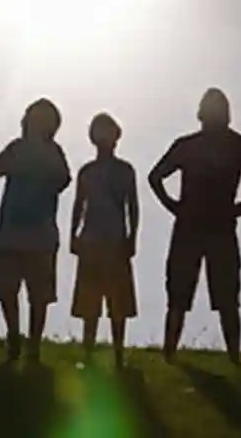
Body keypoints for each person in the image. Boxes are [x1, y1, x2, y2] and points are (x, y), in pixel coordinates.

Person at [148, 88, 241, 364]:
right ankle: (174, 354)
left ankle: (228, 357)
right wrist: (173, 205)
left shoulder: (231, 146)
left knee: (222, 298)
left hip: (213, 227)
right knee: (182, 296)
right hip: (199, 226)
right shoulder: (194, 145)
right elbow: (155, 177)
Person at [0, 98, 71, 363]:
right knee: (7, 290)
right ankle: (14, 336)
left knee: (38, 294)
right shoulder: (17, 148)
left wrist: (21, 167)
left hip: (40, 232)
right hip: (12, 229)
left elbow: (62, 179)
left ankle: (34, 344)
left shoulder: (53, 151)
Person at [69, 112, 139, 367]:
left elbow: (133, 205)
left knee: (118, 303)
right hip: (90, 240)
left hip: (116, 240)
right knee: (90, 302)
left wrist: (132, 237)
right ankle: (88, 352)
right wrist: (73, 235)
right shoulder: (86, 171)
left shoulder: (125, 170)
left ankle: (119, 354)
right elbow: (79, 204)